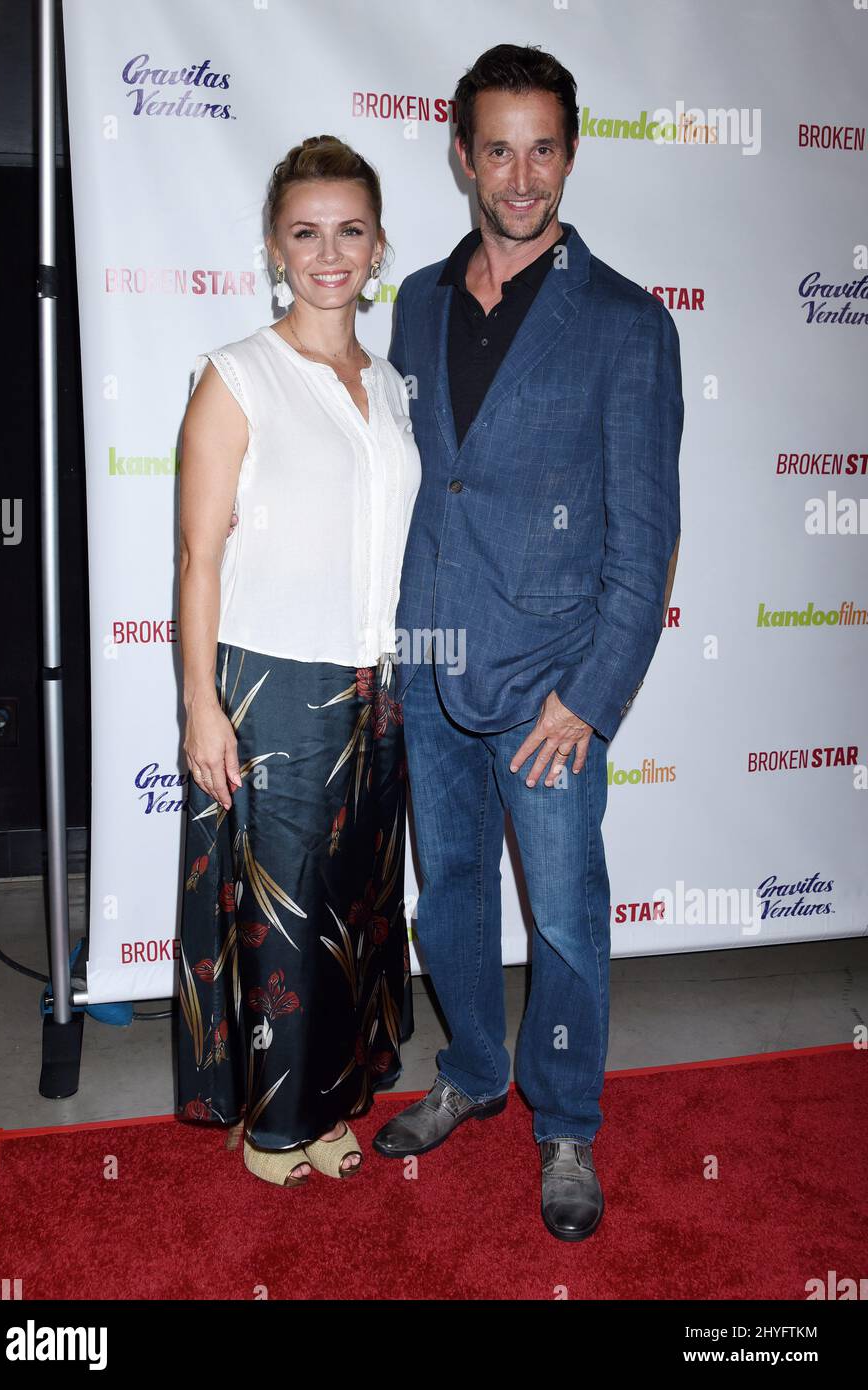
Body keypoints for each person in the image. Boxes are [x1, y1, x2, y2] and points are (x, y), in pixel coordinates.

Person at [373, 44, 683, 1241]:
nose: (520, 175)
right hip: (429, 666)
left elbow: (647, 537)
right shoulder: (414, 304)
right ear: (461, 153)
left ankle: (565, 1126)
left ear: (570, 152)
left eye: (542, 147)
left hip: (549, 689)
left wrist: (592, 701)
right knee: (446, 892)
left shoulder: (625, 325)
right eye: (496, 148)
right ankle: (473, 1071)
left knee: (563, 918)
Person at [175, 136, 421, 1188]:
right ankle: (275, 1124)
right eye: (307, 232)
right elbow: (197, 556)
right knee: (282, 916)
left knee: (354, 910)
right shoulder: (238, 376)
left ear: (378, 245)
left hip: (381, 690)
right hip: (275, 687)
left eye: (350, 231)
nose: (330, 254)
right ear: (276, 246)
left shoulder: (395, 382)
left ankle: (332, 1102)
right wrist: (200, 705)